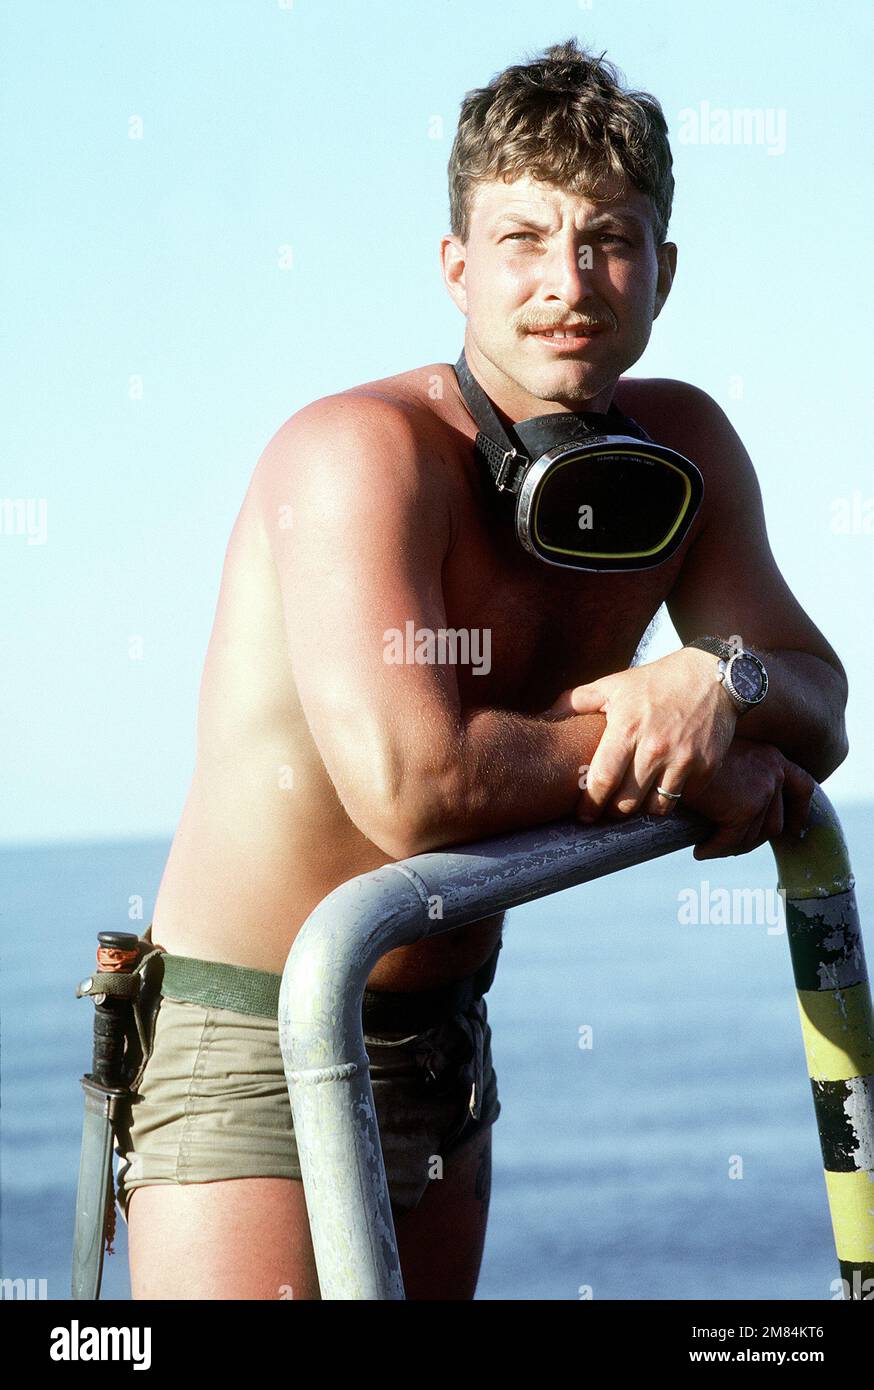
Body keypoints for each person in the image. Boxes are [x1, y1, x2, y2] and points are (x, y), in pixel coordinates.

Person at [116, 38, 848, 1300]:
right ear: (456, 267)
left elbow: (815, 699)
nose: (568, 282)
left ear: (663, 271)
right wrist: (683, 761)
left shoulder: (680, 447)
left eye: (608, 240)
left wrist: (709, 686)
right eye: (523, 240)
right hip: (253, 1033)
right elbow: (415, 787)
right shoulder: (361, 453)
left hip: (444, 1037)